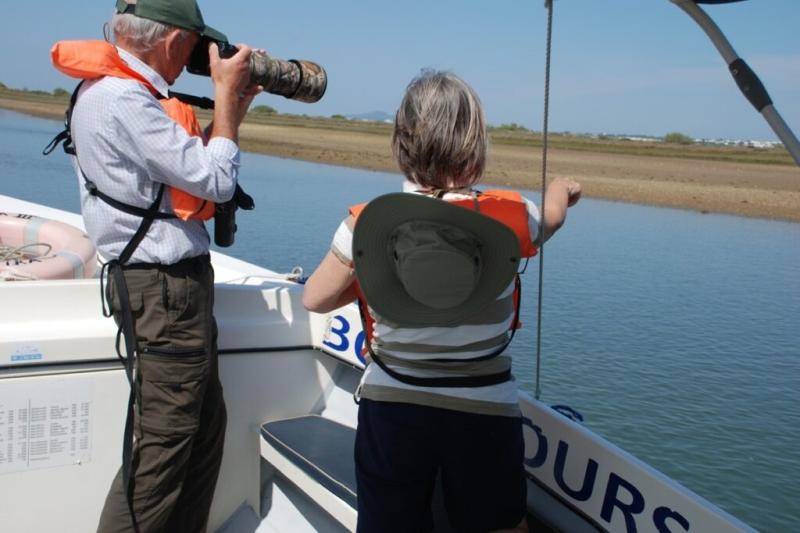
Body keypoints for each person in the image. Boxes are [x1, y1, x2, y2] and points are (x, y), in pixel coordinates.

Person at [303, 70, 581, 532]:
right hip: (485, 410)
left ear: (402, 143)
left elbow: (315, 298)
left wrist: (369, 278)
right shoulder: (513, 216)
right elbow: (551, 218)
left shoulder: (366, 224)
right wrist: (561, 190)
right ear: (476, 148)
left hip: (392, 405)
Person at [48, 1, 262, 531]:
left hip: (168, 294)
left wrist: (232, 107)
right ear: (172, 41)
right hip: (164, 295)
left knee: (203, 431)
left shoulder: (112, 93)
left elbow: (188, 168)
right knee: (164, 448)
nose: (194, 57)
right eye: (193, 46)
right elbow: (216, 182)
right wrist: (227, 103)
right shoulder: (124, 99)